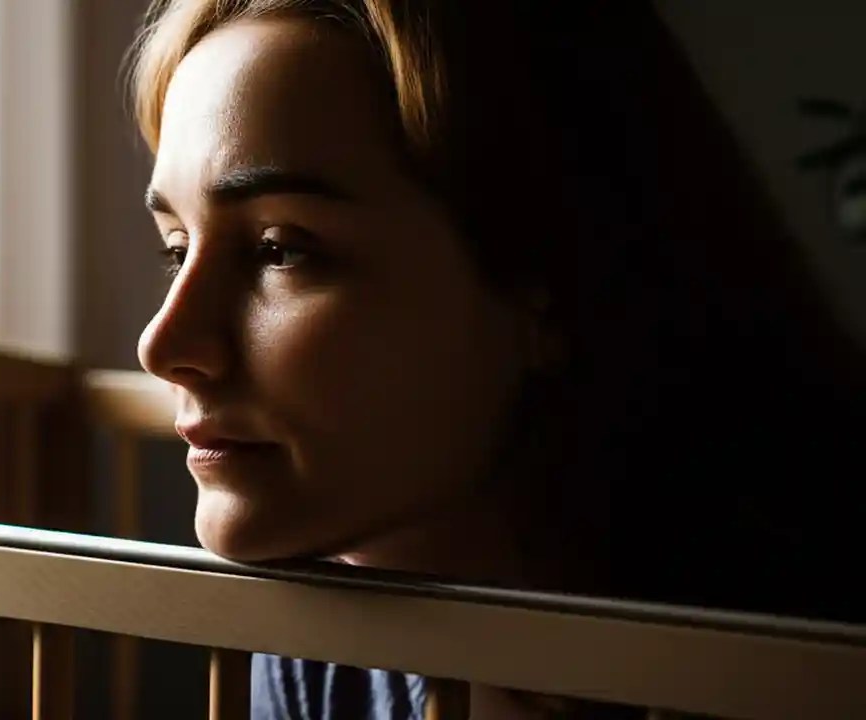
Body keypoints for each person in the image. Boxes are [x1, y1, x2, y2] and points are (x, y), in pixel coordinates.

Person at [127, 1, 866, 717]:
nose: (163, 346)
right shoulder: (313, 646)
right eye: (176, 249)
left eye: (279, 250)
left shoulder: (802, 669)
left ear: (551, 287)